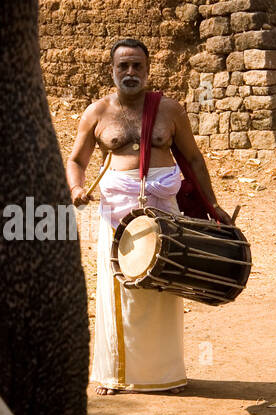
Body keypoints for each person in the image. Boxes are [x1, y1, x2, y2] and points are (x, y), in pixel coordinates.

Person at [66, 39, 231, 396]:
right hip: (118, 210)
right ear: (111, 70)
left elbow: (195, 159)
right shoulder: (96, 112)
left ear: (148, 69)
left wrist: (212, 205)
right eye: (123, 66)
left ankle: (165, 375)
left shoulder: (170, 110)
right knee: (120, 288)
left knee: (164, 283)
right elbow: (76, 160)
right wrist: (76, 189)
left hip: (164, 211)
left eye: (137, 66)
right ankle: (114, 375)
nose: (130, 72)